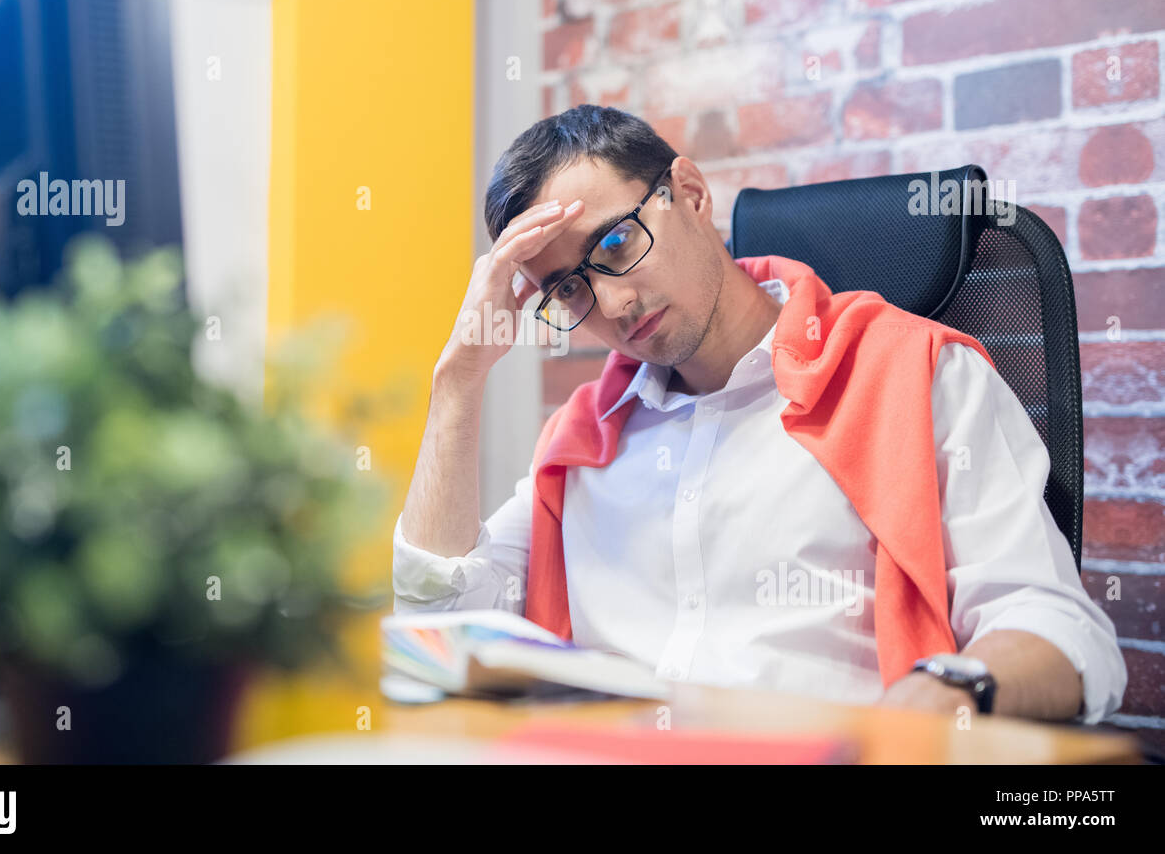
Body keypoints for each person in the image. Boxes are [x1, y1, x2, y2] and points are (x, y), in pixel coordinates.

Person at [392, 104, 1126, 724]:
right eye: (569, 289)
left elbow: (1063, 633)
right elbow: (438, 624)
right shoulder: (583, 440)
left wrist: (937, 700)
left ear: (689, 190)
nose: (612, 304)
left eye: (616, 244)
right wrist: (457, 380)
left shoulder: (914, 374)